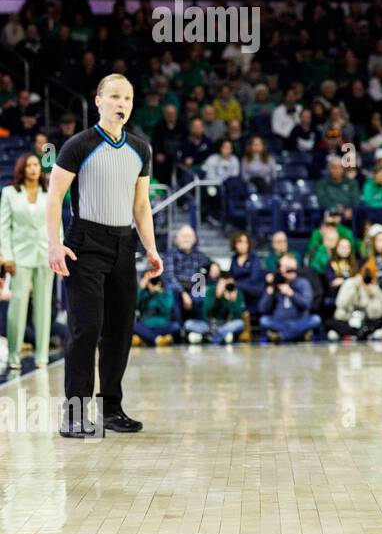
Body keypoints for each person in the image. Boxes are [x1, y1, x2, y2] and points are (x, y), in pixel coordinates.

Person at [47, 74, 163, 437]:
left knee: (120, 329)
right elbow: (54, 198)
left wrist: (151, 247)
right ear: (98, 101)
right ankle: (74, 415)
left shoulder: (141, 149)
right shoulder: (77, 146)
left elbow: (141, 205)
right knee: (87, 328)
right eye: (114, 96)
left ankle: (111, 409)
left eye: (127, 98)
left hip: (123, 244)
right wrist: (54, 243)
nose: (121, 104)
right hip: (84, 243)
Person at [1, 153, 52, 370]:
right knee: (18, 305)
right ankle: (14, 356)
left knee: (43, 306)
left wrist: (57, 251)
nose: (33, 168)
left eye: (36, 165)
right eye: (29, 165)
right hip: (19, 256)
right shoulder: (10, 193)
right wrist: (7, 256)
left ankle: (42, 357)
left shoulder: (48, 192)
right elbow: (3, 226)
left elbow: (55, 225)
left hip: (45, 254)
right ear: (22, 168)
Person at [257, 254, 320, 342]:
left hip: (299, 321)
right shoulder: (275, 283)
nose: (285, 271)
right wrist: (269, 291)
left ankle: (282, 336)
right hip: (279, 322)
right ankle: (299, 334)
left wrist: (291, 294)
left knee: (316, 319)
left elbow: (307, 305)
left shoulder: (303, 283)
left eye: (289, 268)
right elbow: (262, 308)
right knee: (264, 320)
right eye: (283, 267)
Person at [185, 268, 246, 344]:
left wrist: (231, 302)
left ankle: (211, 336)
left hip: (226, 324)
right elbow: (206, 311)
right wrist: (218, 297)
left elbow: (238, 315)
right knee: (188, 324)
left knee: (240, 323)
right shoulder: (211, 290)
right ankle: (219, 336)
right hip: (209, 325)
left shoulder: (237, 293)